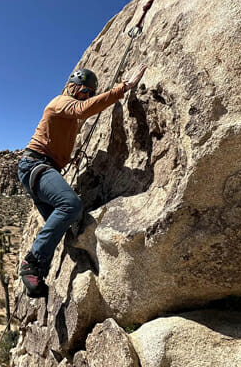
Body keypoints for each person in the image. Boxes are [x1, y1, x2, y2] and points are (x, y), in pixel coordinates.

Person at [18, 67, 146, 297]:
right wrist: (123, 88)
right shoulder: (60, 101)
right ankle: (31, 263)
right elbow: (83, 110)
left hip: (41, 168)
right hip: (36, 166)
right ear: (72, 86)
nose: (86, 95)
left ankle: (37, 275)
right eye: (84, 90)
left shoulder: (66, 111)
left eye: (90, 92)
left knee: (60, 224)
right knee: (70, 205)